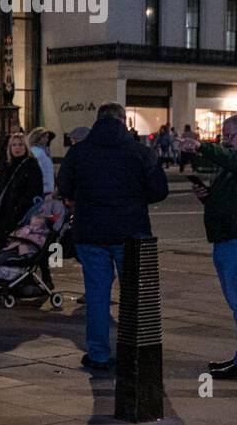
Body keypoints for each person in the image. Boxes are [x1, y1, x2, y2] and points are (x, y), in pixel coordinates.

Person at [56, 102, 169, 372]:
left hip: (90, 232)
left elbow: (64, 186)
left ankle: (98, 354)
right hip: (131, 233)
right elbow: (159, 191)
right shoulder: (140, 152)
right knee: (134, 295)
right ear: (122, 121)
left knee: (97, 294)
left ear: (98, 121)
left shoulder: (79, 151)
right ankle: (136, 351)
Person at [192, 115, 237, 379]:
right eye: (224, 137)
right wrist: (209, 198)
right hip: (229, 238)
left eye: (231, 137)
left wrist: (202, 147)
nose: (227, 142)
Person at [0, 132, 44, 250]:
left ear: (26, 147)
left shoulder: (31, 165)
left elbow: (34, 190)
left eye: (21, 145)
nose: (17, 148)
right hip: (4, 213)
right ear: (9, 148)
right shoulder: (7, 165)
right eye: (14, 145)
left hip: (20, 215)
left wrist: (19, 208)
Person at [27, 127, 55, 194]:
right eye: (44, 137)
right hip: (42, 188)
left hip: (47, 188)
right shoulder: (37, 152)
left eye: (47, 137)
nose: (47, 139)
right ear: (38, 138)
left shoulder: (43, 151)